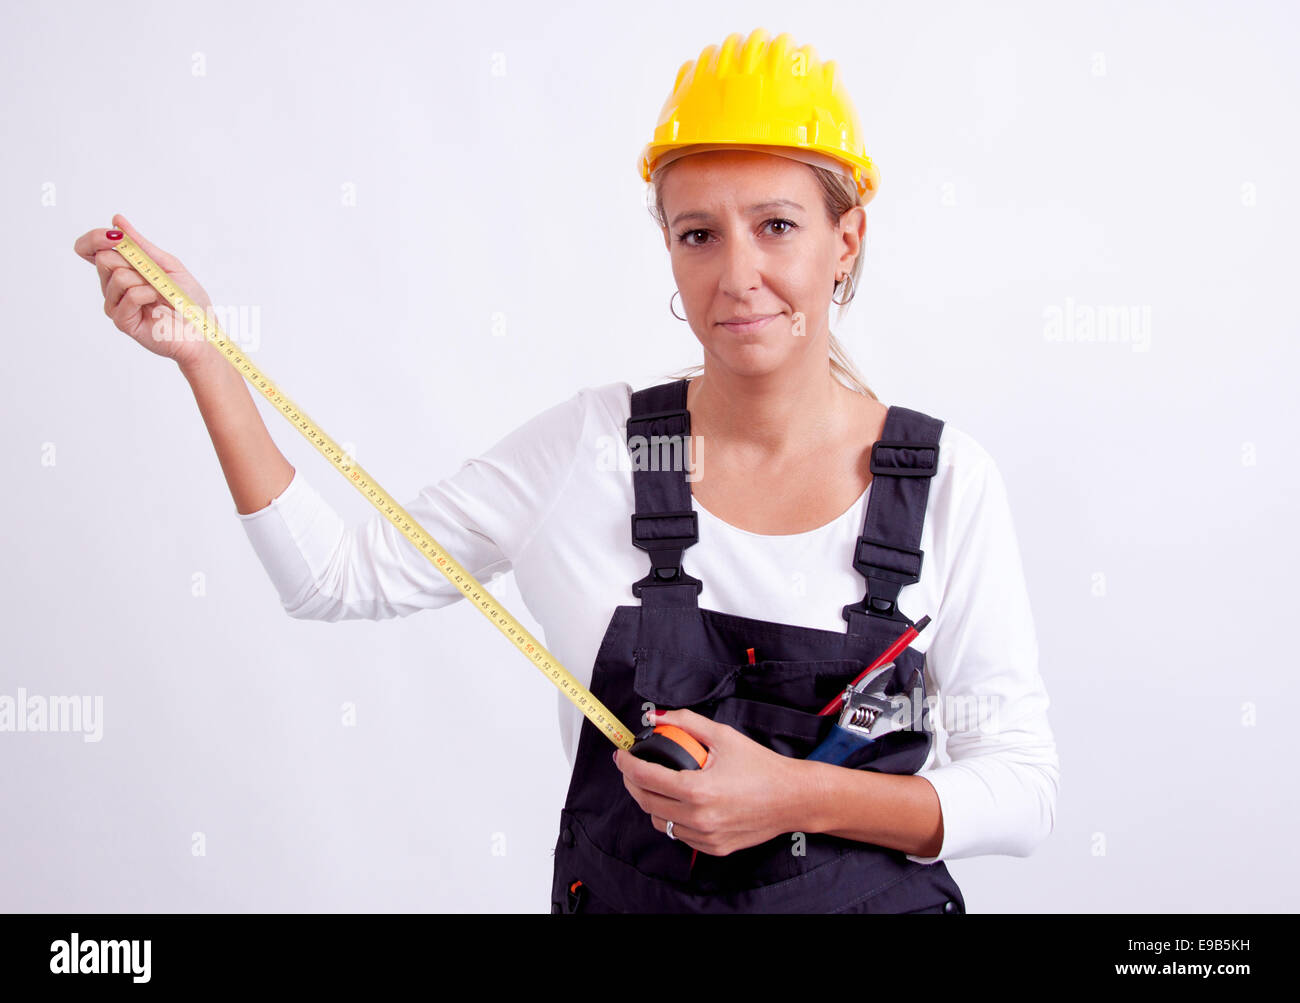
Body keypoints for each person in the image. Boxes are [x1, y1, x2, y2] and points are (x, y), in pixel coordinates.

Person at [73, 27, 1059, 914]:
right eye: (697, 233)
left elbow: (1020, 789)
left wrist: (793, 793)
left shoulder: (941, 484)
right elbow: (331, 579)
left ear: (845, 239)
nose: (737, 273)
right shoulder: (591, 453)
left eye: (777, 224)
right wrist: (205, 353)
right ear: (668, 251)